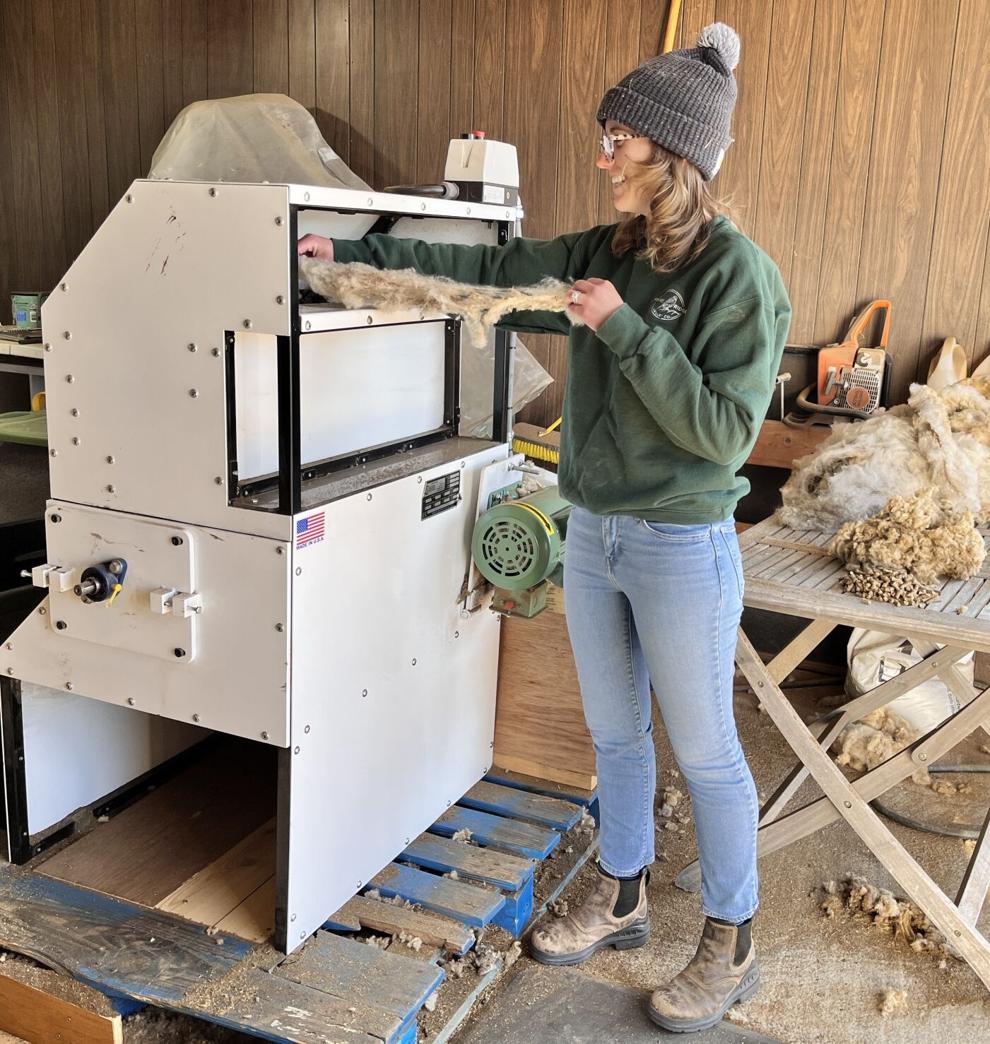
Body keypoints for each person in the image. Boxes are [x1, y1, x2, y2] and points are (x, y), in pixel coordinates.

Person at [299, 22, 790, 1034]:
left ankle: (731, 939)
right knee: (615, 733)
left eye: (619, 140)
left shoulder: (739, 278)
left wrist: (622, 328)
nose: (603, 157)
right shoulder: (606, 252)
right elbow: (491, 273)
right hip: (598, 534)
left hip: (681, 545)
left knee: (707, 754)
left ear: (673, 154)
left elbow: (722, 436)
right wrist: (351, 256)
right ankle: (621, 896)